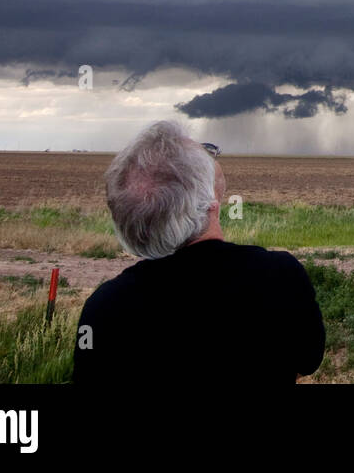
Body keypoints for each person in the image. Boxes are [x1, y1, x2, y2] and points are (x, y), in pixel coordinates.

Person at [74, 121, 324, 384]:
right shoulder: (279, 276)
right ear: (209, 200)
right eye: (205, 155)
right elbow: (306, 361)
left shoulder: (104, 309)